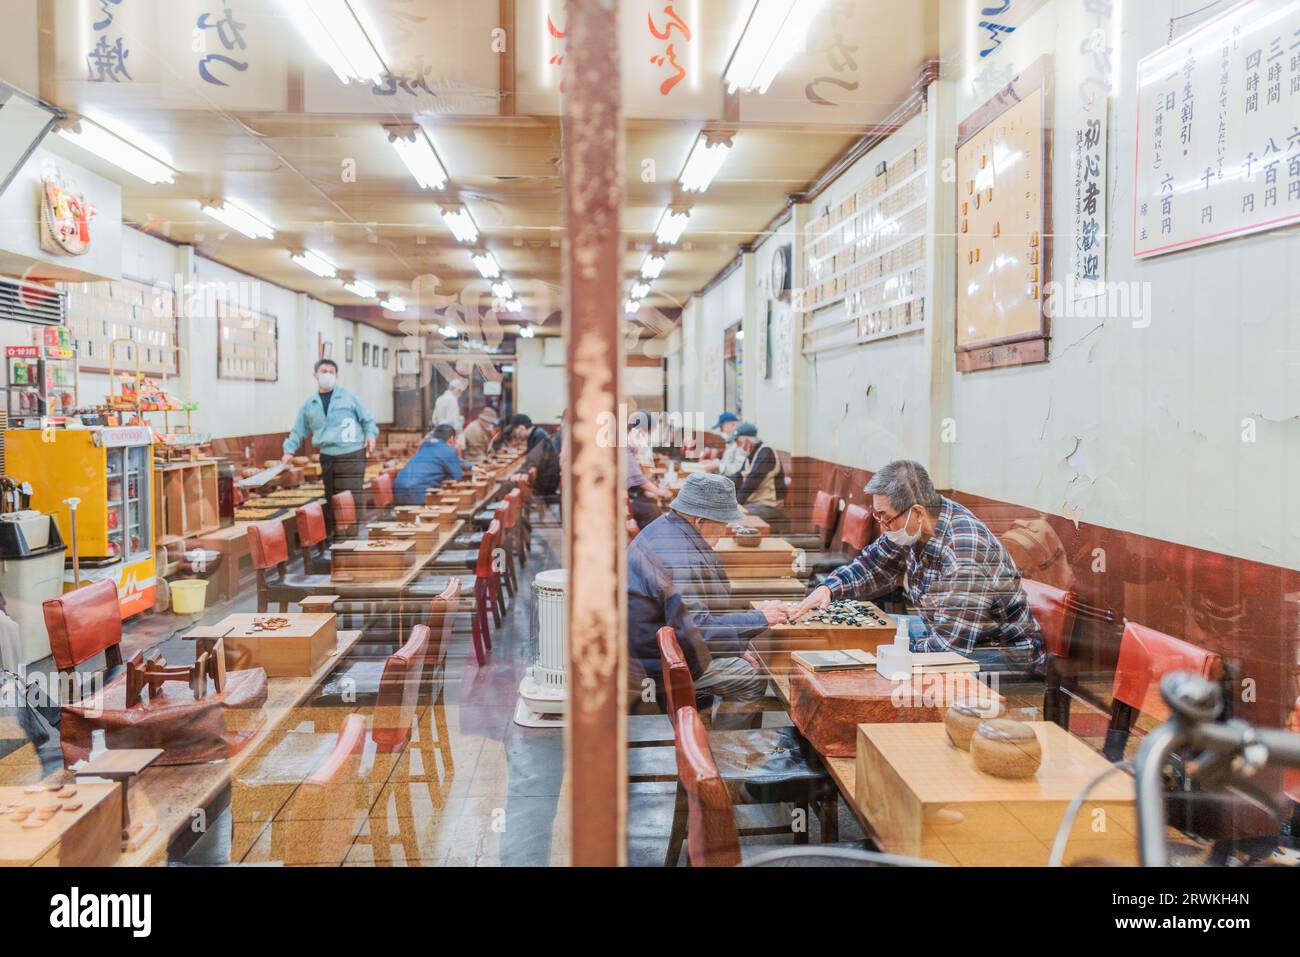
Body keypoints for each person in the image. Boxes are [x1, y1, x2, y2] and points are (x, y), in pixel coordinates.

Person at [790, 460, 1044, 673]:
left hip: (999, 656)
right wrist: (829, 590)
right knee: (859, 632)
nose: (881, 525)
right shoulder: (920, 522)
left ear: (918, 512)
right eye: (877, 515)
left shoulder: (964, 554)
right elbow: (874, 564)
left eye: (885, 517)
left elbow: (947, 650)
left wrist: (883, 659)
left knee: (873, 665)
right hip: (941, 629)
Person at [627, 472, 788, 730]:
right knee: (751, 677)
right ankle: (729, 754)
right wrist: (760, 618)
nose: (726, 529)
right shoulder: (678, 555)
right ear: (700, 520)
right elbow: (696, 629)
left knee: (742, 660)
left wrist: (733, 646)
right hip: (654, 664)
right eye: (722, 522)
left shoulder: (667, 527)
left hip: (647, 647)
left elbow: (691, 619)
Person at [282, 358, 377, 535]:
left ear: (337, 375)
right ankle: (336, 541)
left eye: (331, 372)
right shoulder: (309, 404)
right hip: (327, 456)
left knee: (350, 499)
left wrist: (371, 436)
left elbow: (368, 420)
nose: (327, 375)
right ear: (315, 375)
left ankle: (352, 540)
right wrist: (288, 451)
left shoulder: (349, 397)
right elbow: (298, 431)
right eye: (323, 371)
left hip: (352, 454)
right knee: (332, 499)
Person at [726, 422, 785, 524]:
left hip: (769, 506)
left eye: (738, 443)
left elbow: (751, 483)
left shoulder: (766, 453)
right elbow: (738, 477)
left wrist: (736, 504)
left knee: (735, 516)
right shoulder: (751, 455)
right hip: (753, 503)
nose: (737, 446)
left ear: (747, 442)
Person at [393, 424, 463, 506]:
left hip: (398, 488)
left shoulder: (425, 445)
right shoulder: (449, 450)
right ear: (451, 439)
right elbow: (457, 477)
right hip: (418, 491)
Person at [627, 411, 673, 528]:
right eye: (647, 434)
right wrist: (660, 492)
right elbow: (638, 479)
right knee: (653, 511)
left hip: (630, 495)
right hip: (625, 500)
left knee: (652, 503)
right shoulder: (626, 448)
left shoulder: (629, 447)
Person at [500, 413, 561, 496]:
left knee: (506, 486)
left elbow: (533, 462)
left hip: (546, 484)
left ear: (521, 428)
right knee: (510, 482)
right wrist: (519, 472)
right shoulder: (535, 434)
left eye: (515, 431)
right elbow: (532, 461)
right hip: (545, 479)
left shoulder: (539, 436)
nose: (516, 435)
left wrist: (517, 473)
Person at [705, 411, 748, 476]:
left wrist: (718, 467)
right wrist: (712, 462)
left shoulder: (741, 442)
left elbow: (739, 469)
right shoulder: (731, 442)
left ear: (733, 425)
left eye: (721, 428)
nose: (721, 431)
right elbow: (726, 462)